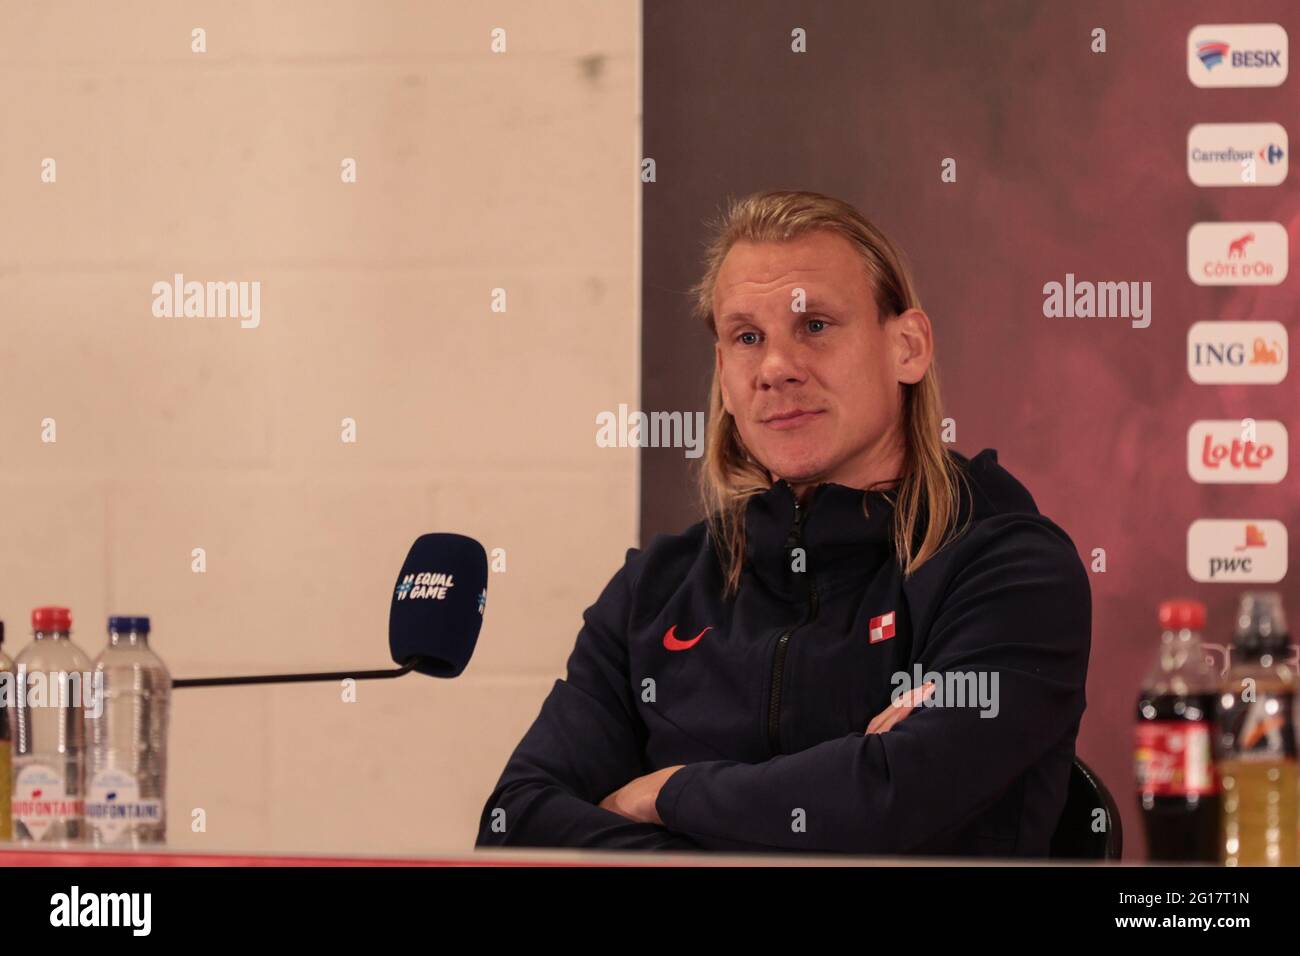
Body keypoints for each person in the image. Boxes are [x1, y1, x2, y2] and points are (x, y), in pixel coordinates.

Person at [475, 189, 1092, 856]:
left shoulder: (1008, 570)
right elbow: (517, 821)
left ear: (907, 347)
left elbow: (892, 806)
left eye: (816, 326)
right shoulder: (654, 590)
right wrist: (820, 791)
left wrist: (665, 794)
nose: (776, 369)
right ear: (723, 372)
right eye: (746, 337)